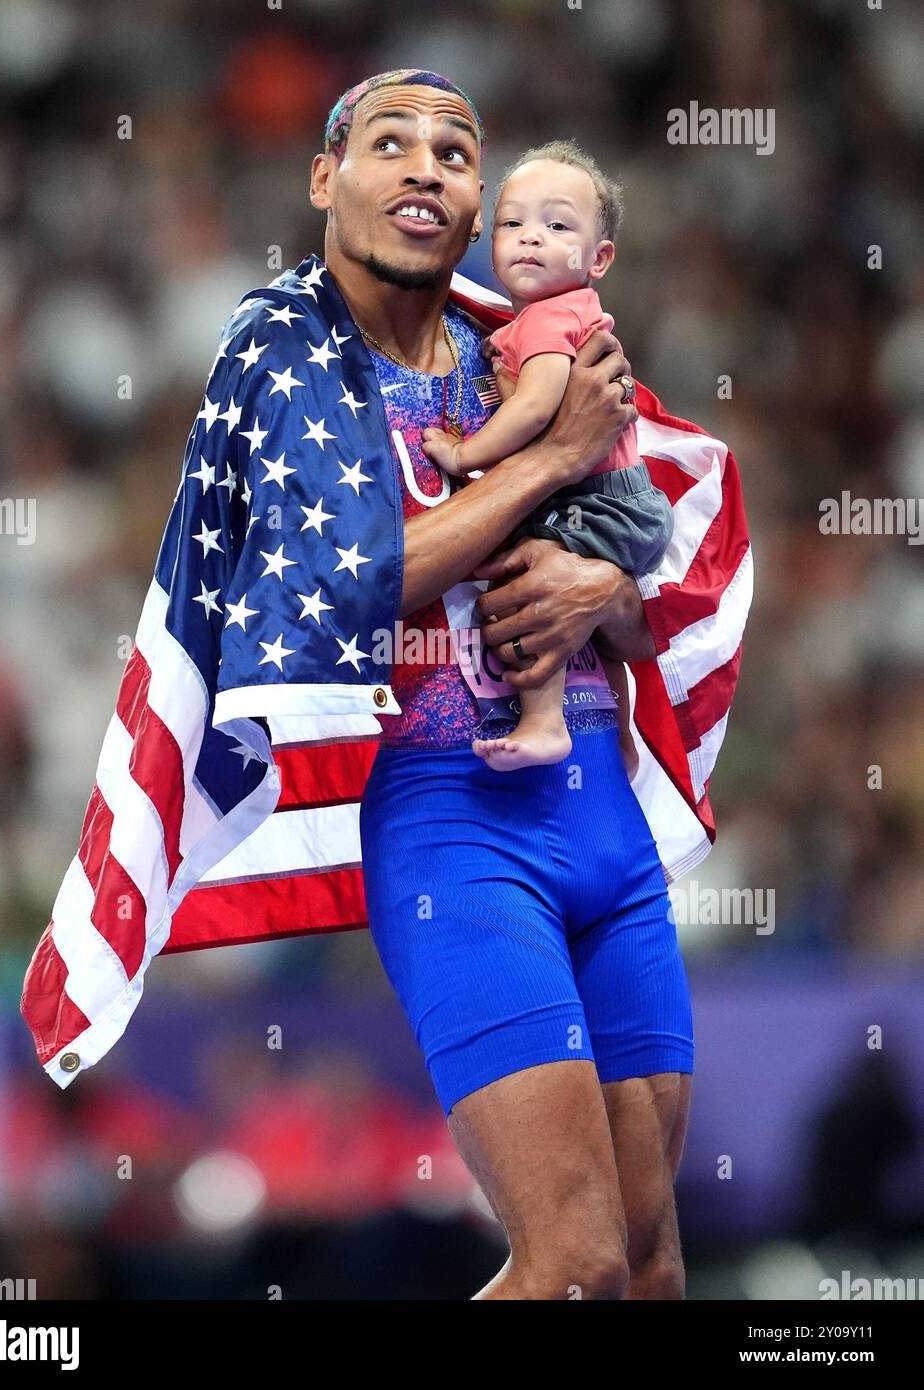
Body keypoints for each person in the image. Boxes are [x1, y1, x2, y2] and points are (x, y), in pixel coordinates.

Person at [311, 69, 694, 1300]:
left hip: (604, 821)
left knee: (647, 1268)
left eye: (456, 155)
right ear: (327, 179)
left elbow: (647, 624)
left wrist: (603, 593)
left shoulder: (544, 344)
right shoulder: (298, 370)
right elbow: (355, 588)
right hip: (456, 821)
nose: (427, 170)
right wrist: (551, 464)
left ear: (481, 210)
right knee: (572, 1266)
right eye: (391, 144)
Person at [421, 140, 672, 772]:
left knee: (532, 583)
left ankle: (542, 719)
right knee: (586, 623)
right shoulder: (551, 318)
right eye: (514, 223)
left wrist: (463, 453)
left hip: (597, 505)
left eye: (557, 225)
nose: (530, 238)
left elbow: (535, 410)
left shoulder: (546, 322)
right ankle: (617, 735)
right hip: (622, 504)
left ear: (599, 256)